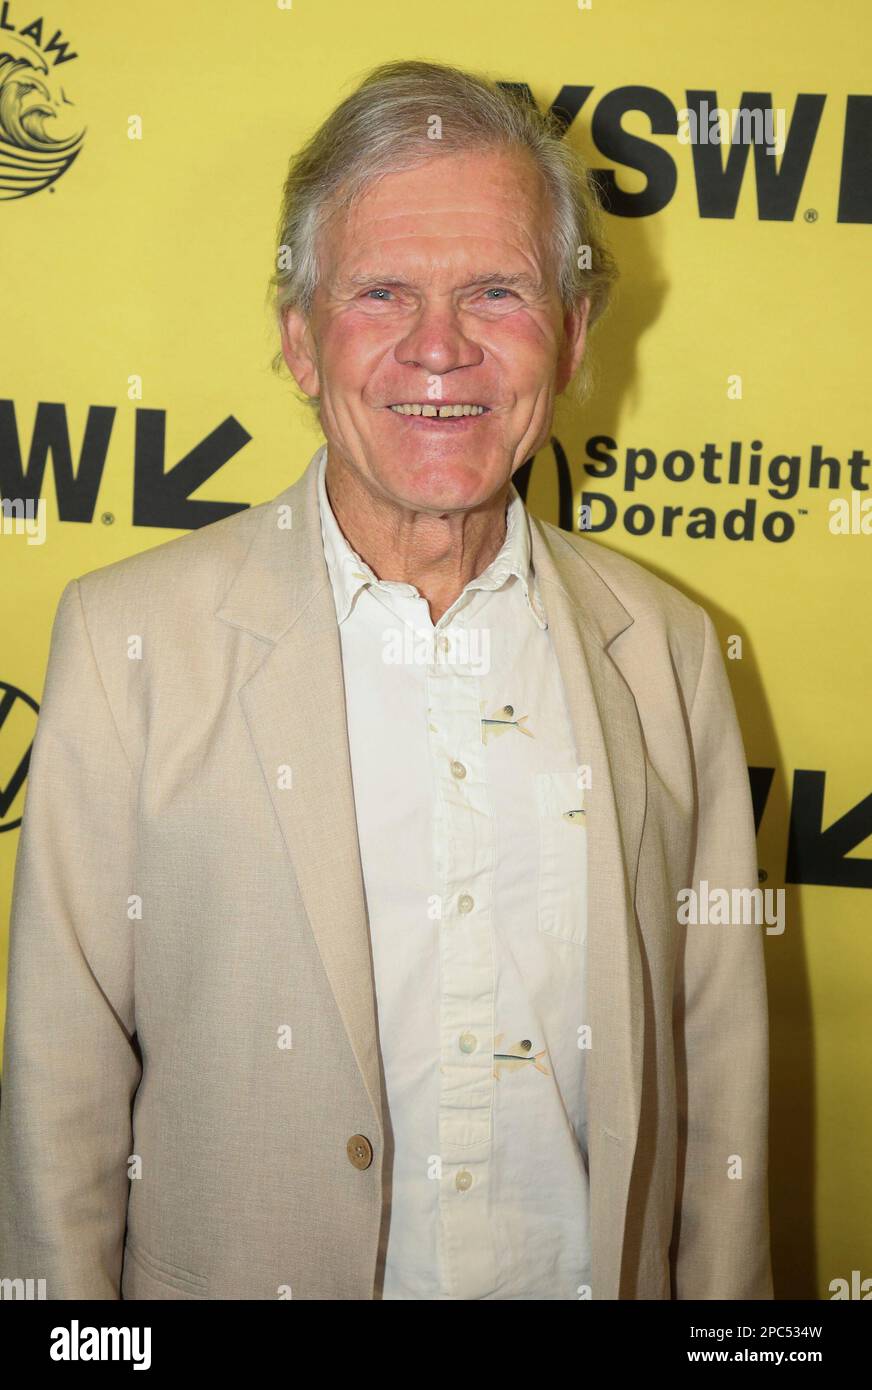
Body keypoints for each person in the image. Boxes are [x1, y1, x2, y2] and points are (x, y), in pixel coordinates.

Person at [0, 60, 772, 1300]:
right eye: (379, 293)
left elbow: (719, 1070)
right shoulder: (127, 641)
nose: (437, 349)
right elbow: (59, 1091)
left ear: (571, 337)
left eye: (495, 291)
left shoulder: (669, 648)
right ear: (300, 340)